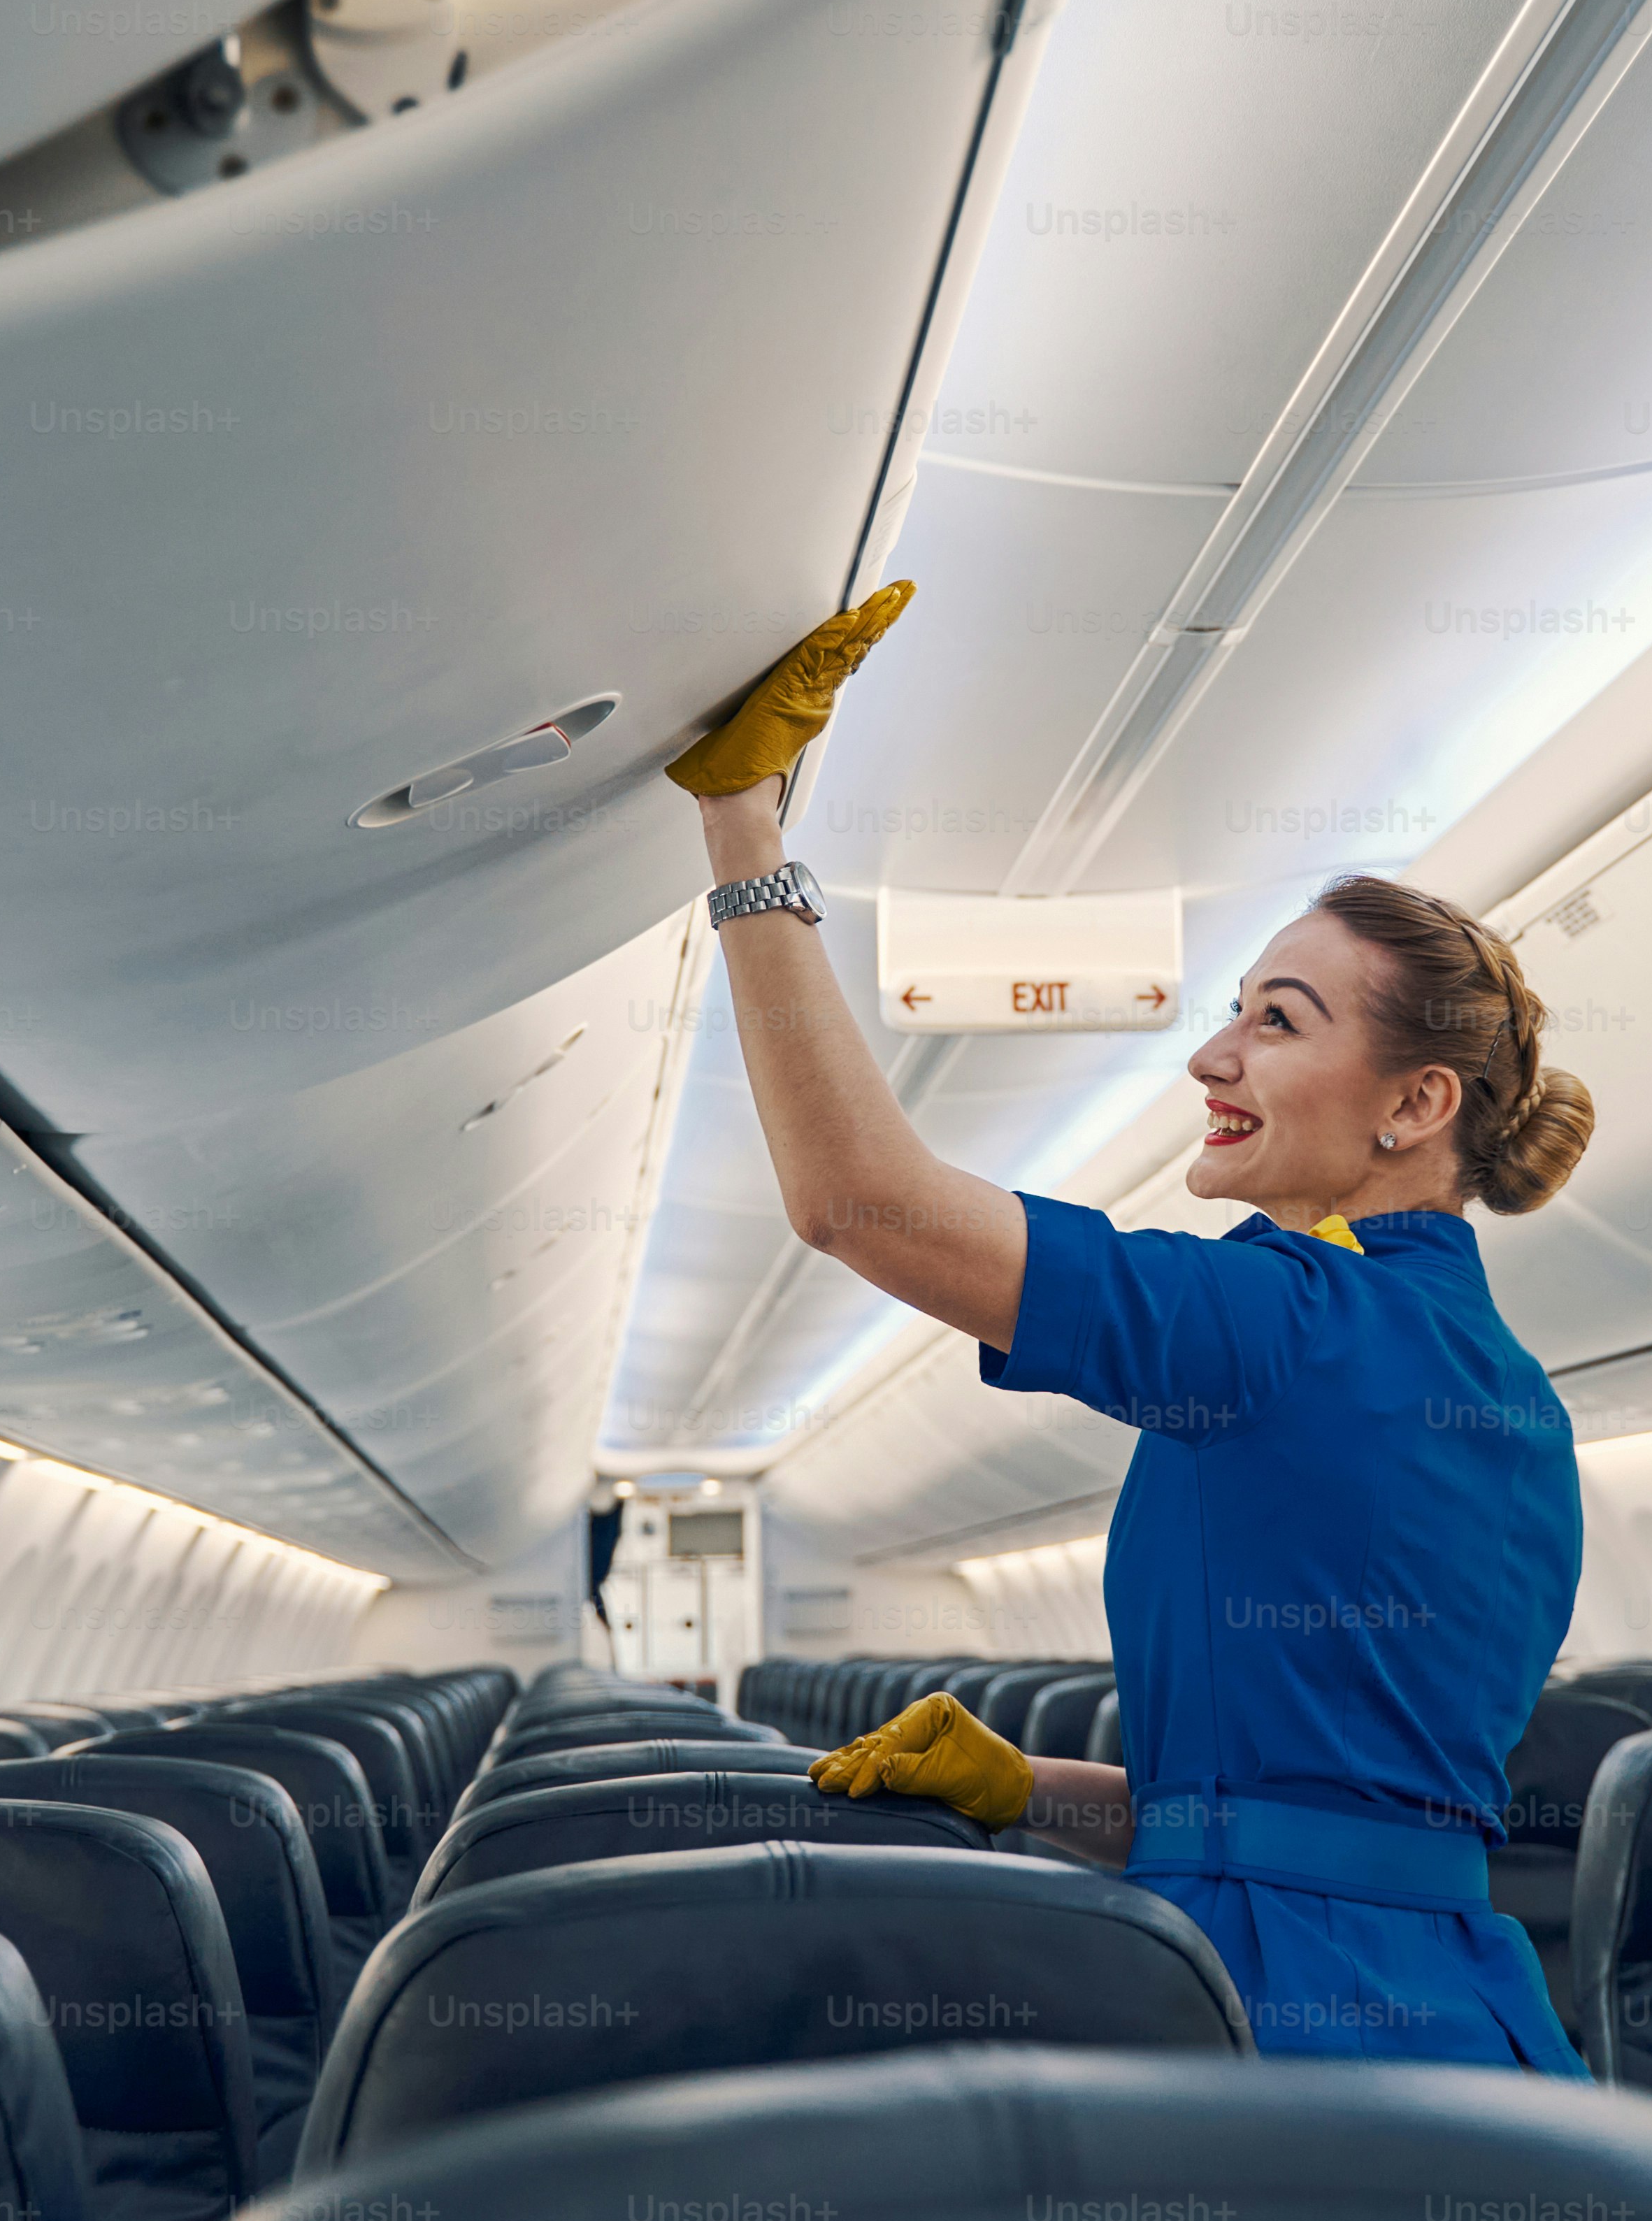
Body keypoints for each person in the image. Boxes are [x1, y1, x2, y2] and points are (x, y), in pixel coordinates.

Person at [671, 587, 1598, 2070]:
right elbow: (1328, 1813)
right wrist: (1033, 1795)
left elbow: (860, 1202)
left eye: (1278, 1023)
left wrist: (742, 836)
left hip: (1284, 2033)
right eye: (1234, 1009)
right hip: (1468, 2029)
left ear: (1417, 1106)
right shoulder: (1510, 1392)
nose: (1213, 1054)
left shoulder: (1286, 1325)